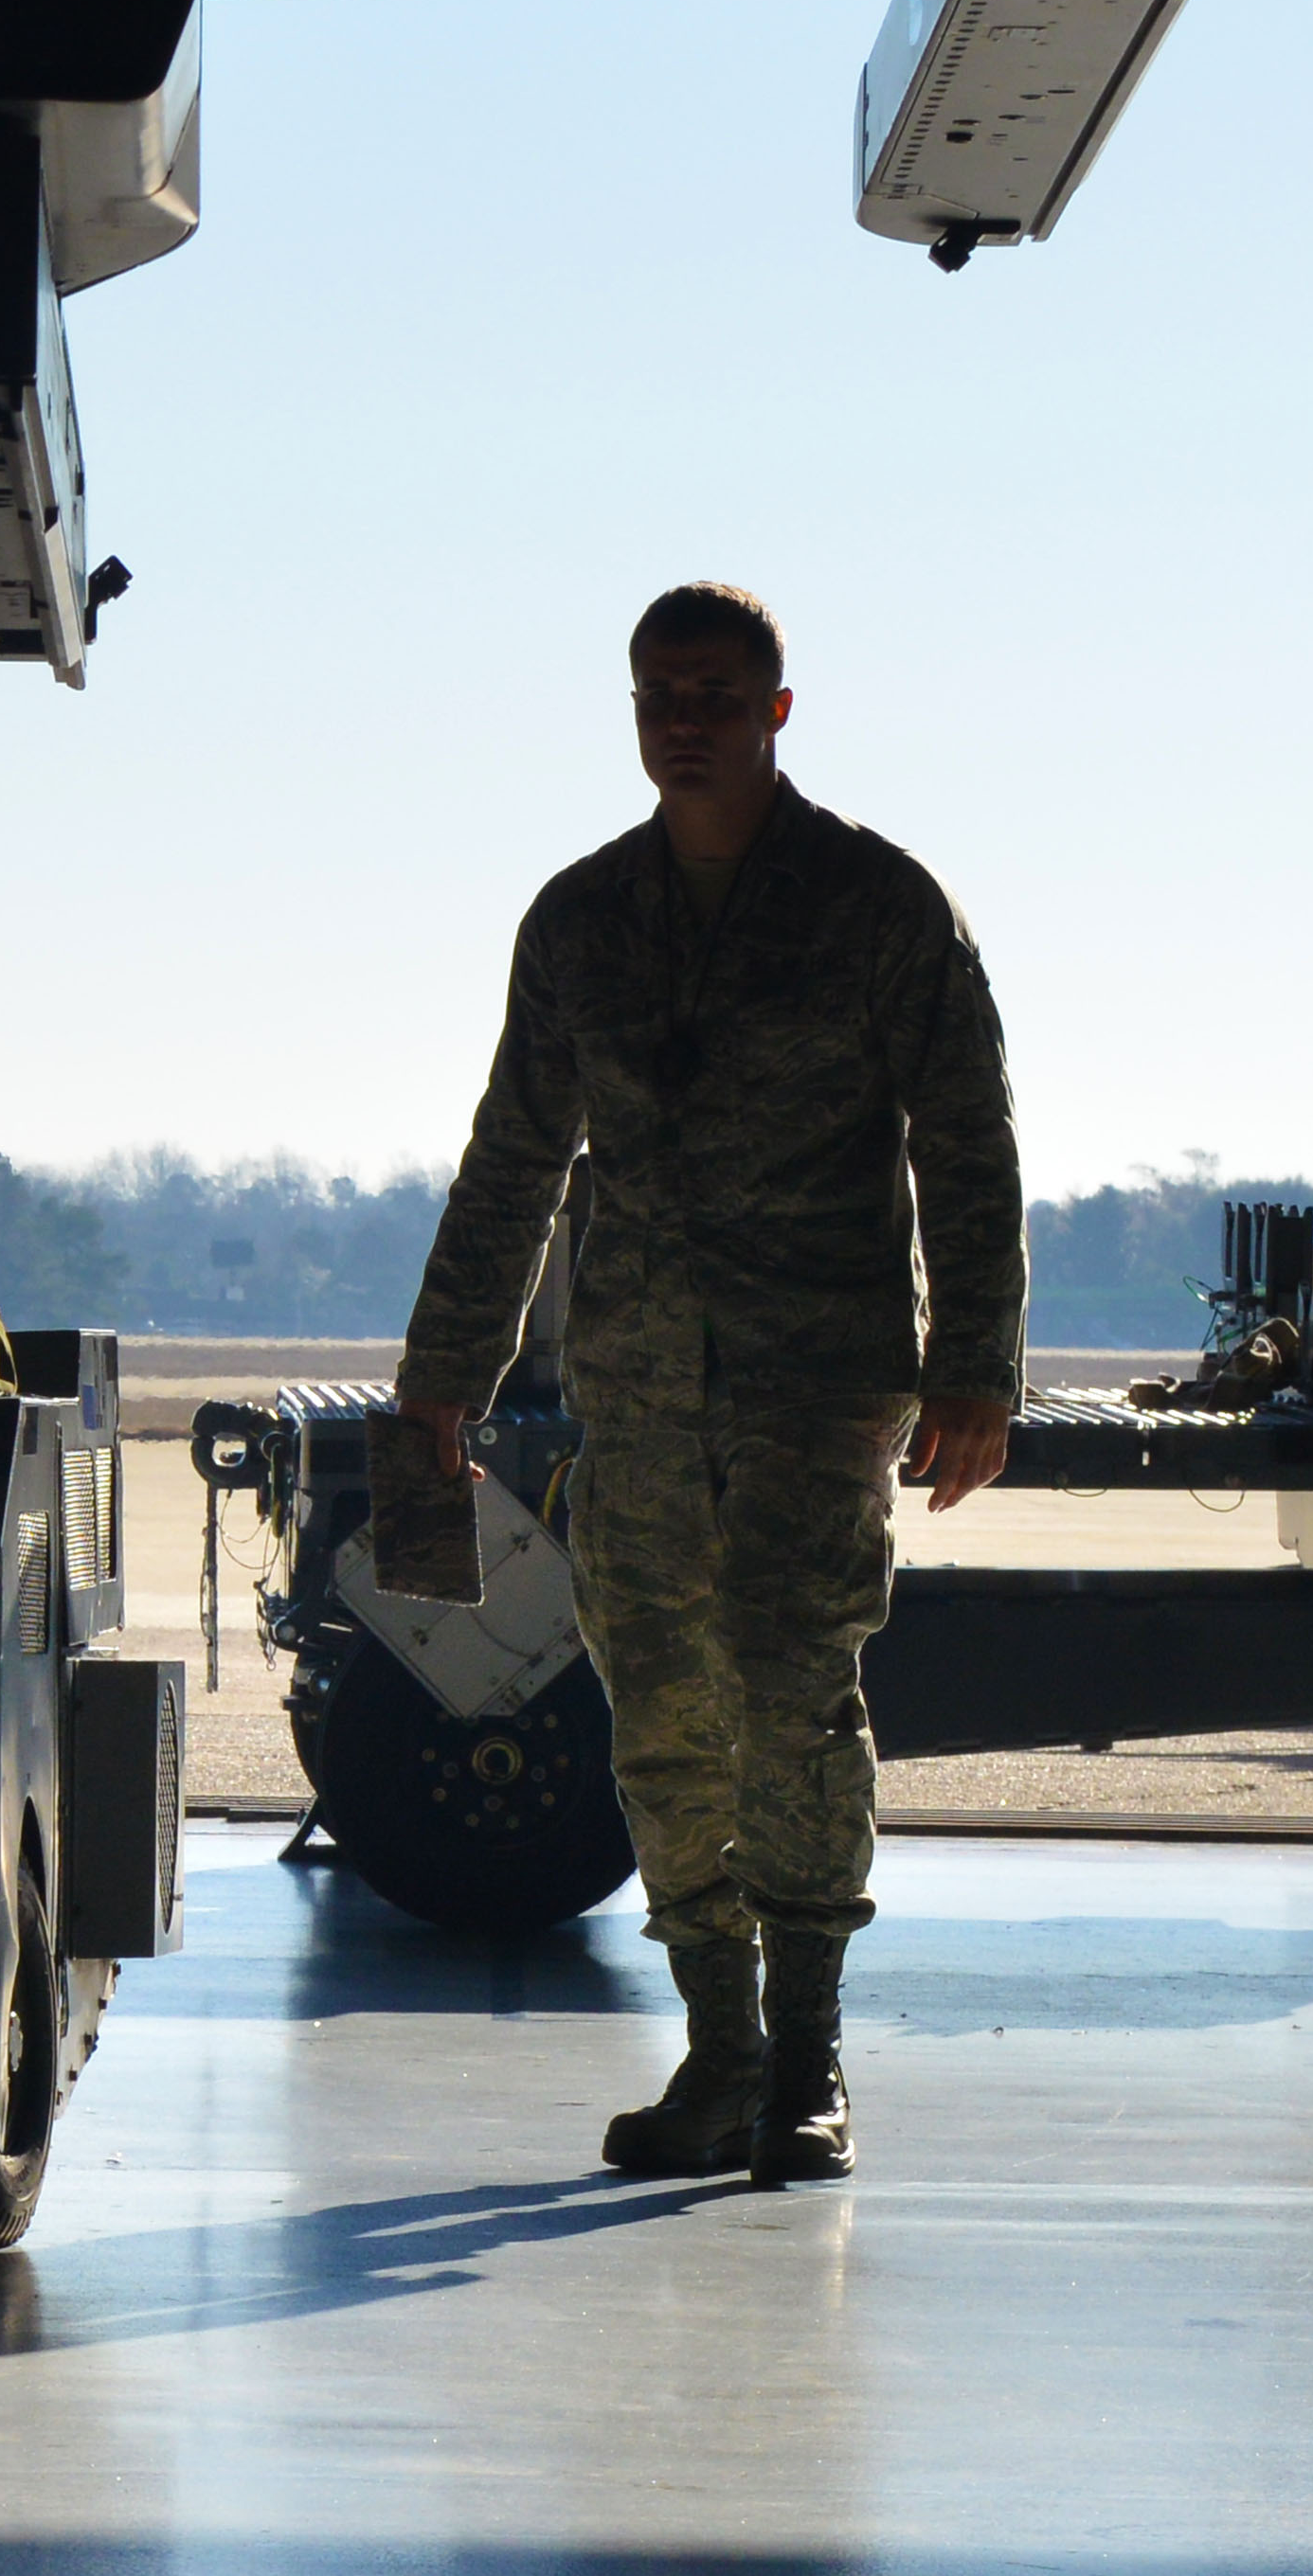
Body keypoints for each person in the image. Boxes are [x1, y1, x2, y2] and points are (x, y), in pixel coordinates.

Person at [396, 580, 1021, 2191]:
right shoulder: (584, 921)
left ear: (777, 711)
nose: (686, 718)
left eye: (716, 693)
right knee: (663, 1717)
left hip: (817, 1388)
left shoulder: (879, 907)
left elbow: (966, 1137)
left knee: (796, 1697)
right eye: (658, 693)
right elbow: (512, 1162)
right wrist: (440, 1378)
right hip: (641, 1393)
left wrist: (974, 1368)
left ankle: (806, 2059)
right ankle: (721, 2048)